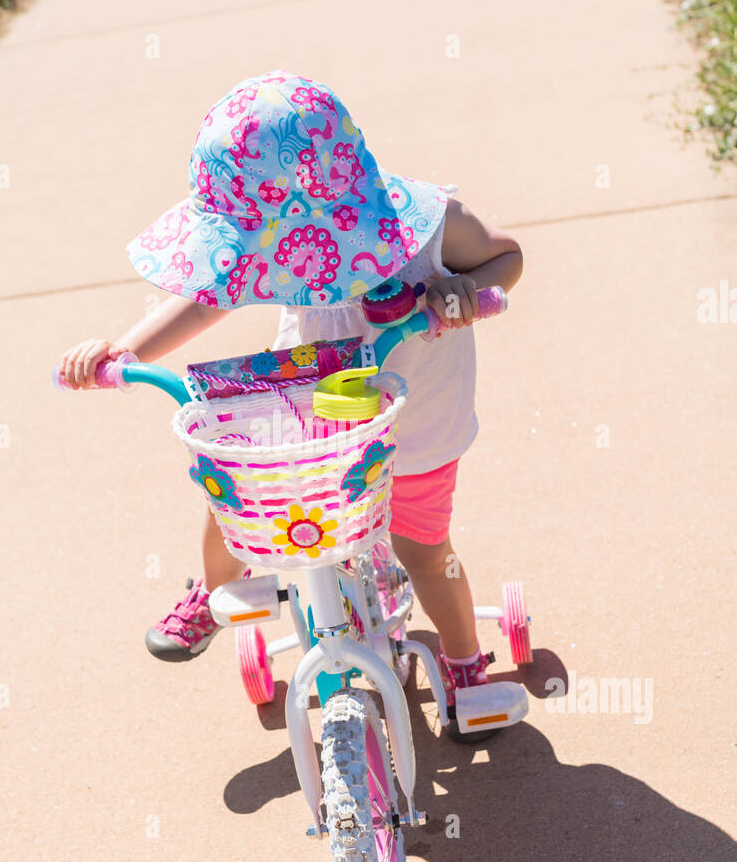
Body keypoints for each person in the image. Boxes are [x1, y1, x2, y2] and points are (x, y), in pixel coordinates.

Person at [58, 71, 523, 736]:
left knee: (424, 548)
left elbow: (506, 257)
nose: (263, 251)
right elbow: (206, 298)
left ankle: (466, 666)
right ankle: (214, 591)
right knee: (237, 501)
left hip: (417, 421)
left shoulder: (427, 224)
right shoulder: (260, 236)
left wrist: (467, 294)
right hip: (314, 413)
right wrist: (123, 354)